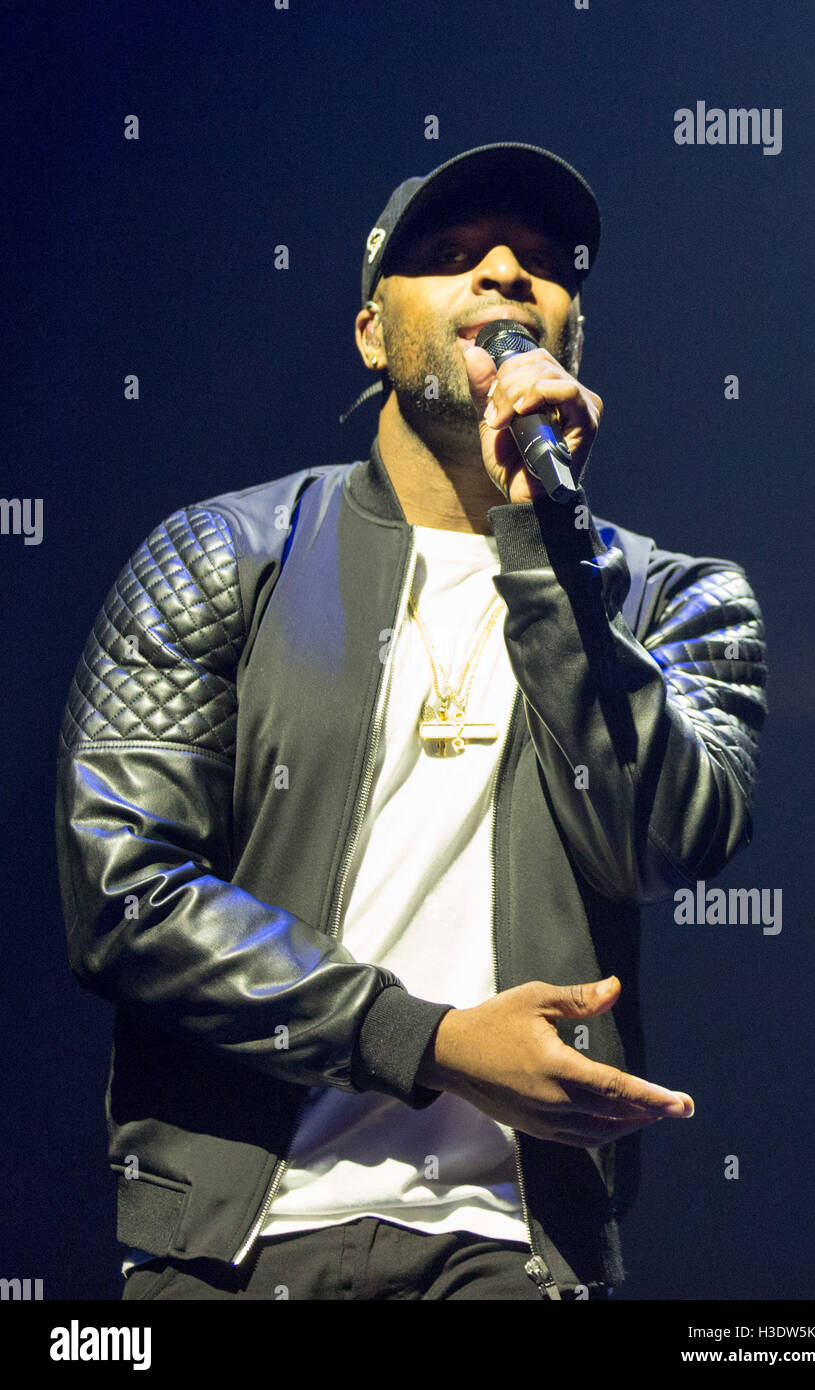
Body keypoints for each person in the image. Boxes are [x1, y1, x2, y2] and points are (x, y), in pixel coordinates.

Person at [55, 142, 767, 1301]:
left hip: (511, 1252)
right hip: (227, 1253)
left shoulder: (675, 597)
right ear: (370, 335)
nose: (501, 273)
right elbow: (123, 895)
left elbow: (656, 840)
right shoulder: (221, 555)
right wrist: (426, 1041)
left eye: (540, 263)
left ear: (569, 339)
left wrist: (545, 547)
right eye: (449, 256)